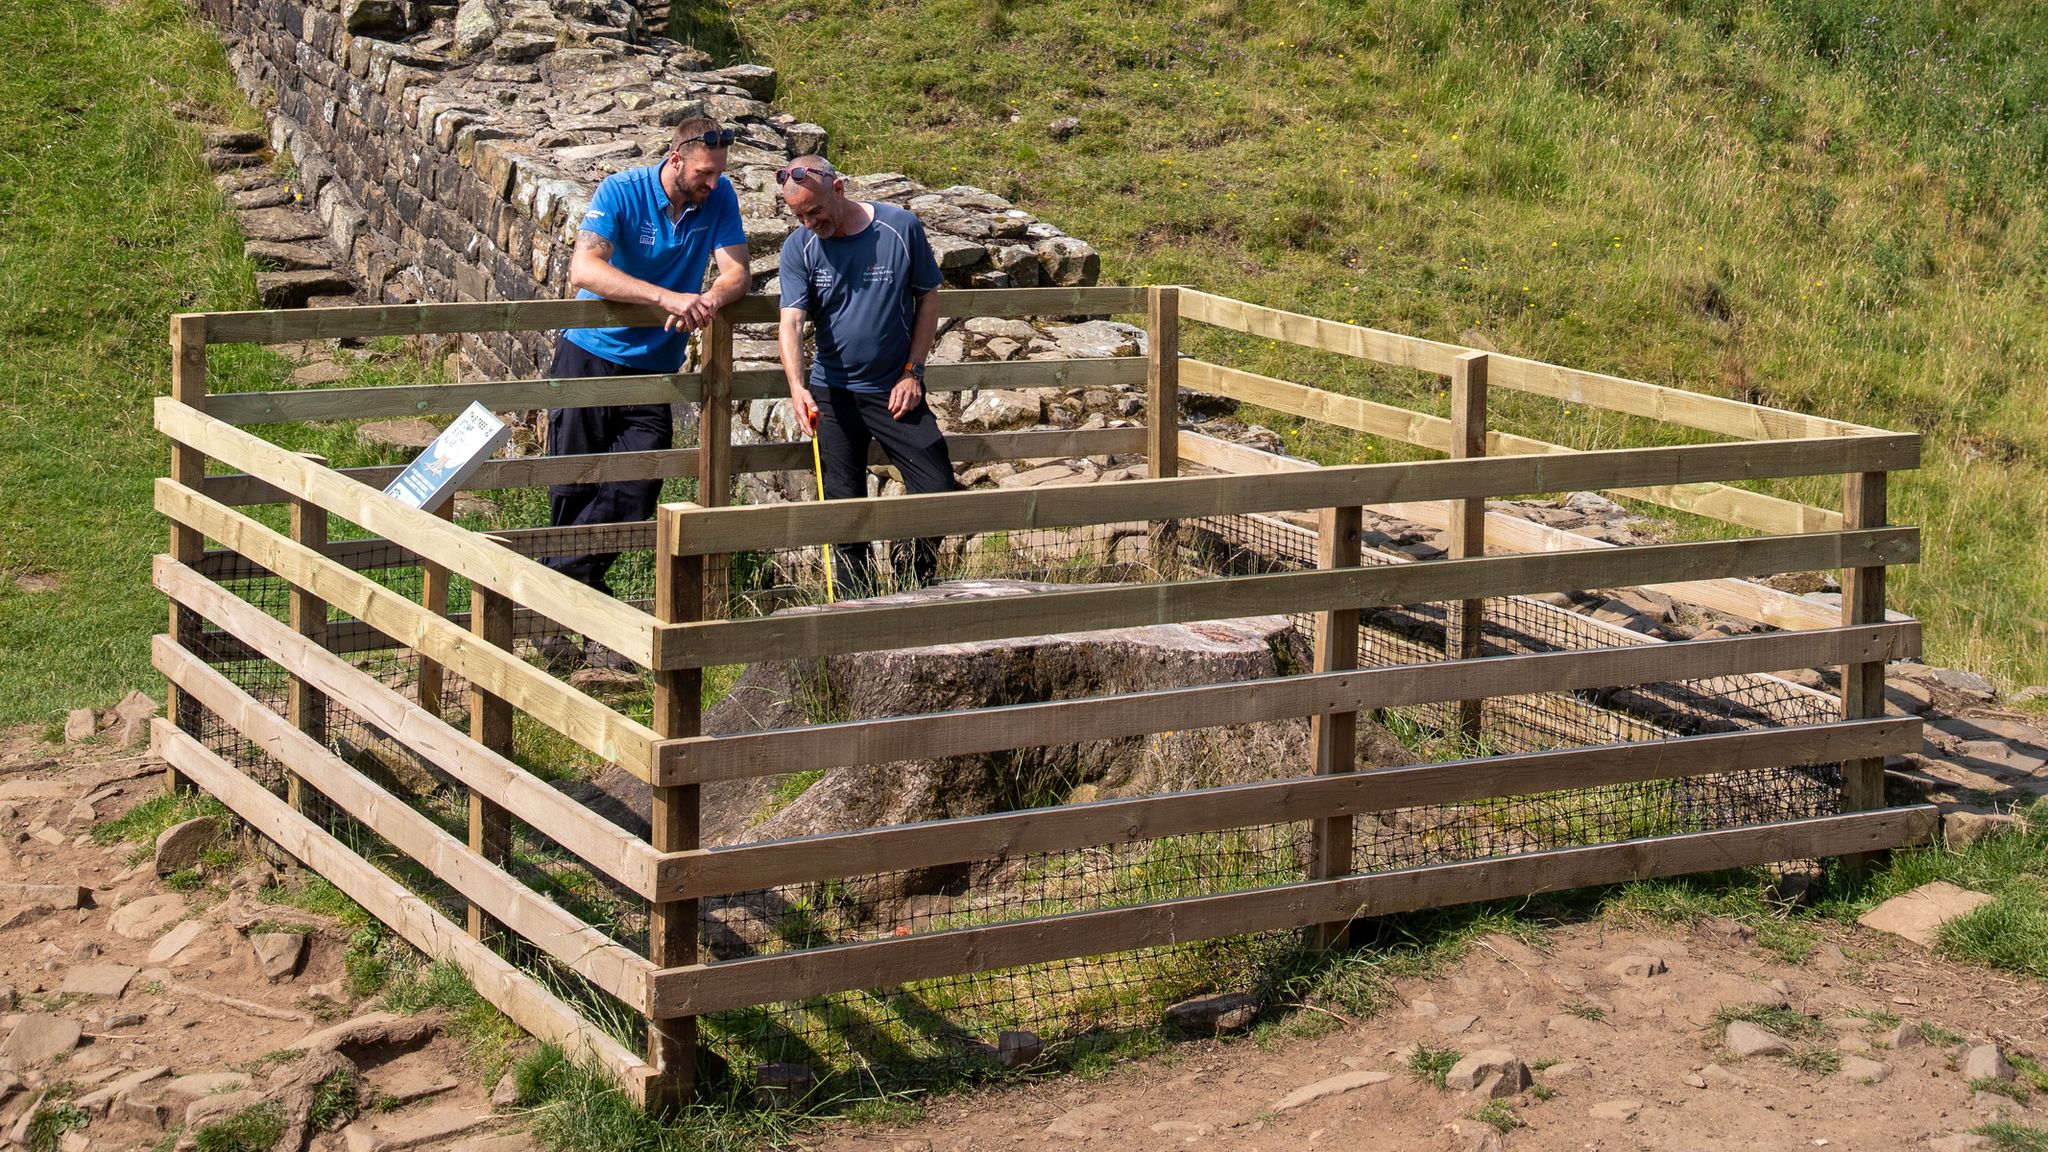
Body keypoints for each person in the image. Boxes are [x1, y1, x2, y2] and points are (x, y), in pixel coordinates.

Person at [541, 117, 750, 669]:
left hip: (654, 370)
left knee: (636, 488)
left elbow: (737, 273)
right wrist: (666, 298)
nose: (713, 183)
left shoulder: (719, 196)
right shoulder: (621, 190)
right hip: (588, 355)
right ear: (675, 159)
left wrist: (707, 299)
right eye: (704, 173)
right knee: (572, 485)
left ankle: (545, 591)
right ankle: (571, 625)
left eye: (719, 173)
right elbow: (584, 269)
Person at [775, 156, 953, 596]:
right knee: (843, 504)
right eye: (799, 216)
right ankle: (856, 603)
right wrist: (797, 388)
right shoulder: (799, 246)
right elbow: (791, 321)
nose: (809, 223)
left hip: (895, 389)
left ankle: (911, 576)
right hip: (831, 393)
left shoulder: (900, 228)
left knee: (937, 486)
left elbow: (928, 298)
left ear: (838, 189)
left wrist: (913, 372)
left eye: (814, 211)